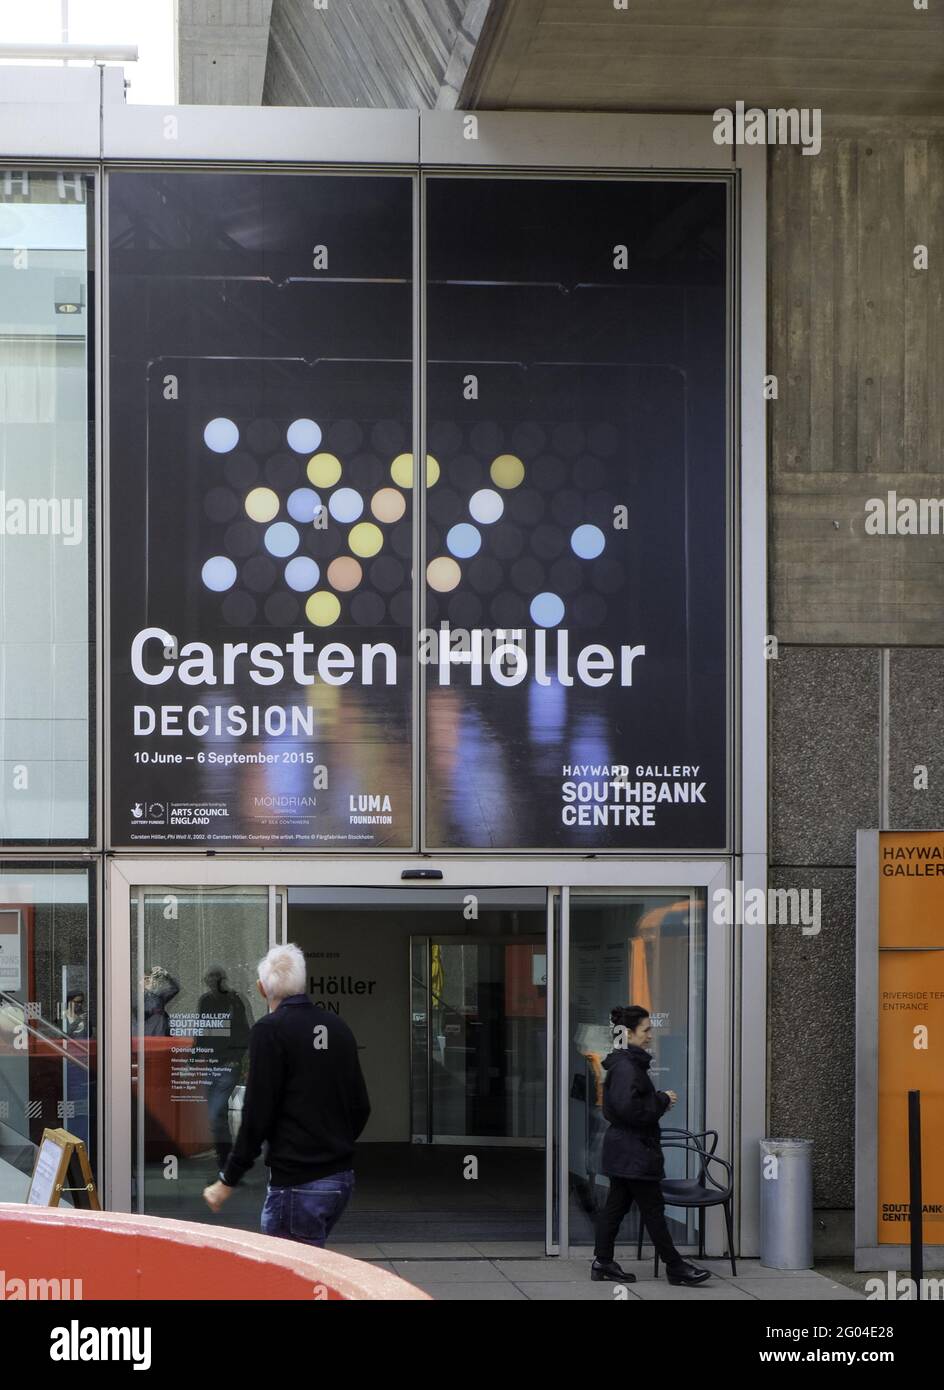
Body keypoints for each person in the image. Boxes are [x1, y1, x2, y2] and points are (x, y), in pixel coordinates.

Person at [202, 943, 370, 1248]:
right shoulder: (338, 1028)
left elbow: (257, 1114)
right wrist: (333, 1144)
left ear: (261, 988)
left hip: (297, 1182)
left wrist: (228, 1179)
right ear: (303, 982)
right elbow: (361, 1106)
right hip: (340, 1180)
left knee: (288, 1278)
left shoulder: (270, 1031)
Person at [591, 1004, 711, 1287]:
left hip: (627, 1149)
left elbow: (627, 1108)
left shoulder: (624, 1064)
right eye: (646, 1030)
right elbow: (629, 1109)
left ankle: (603, 1262)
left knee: (617, 1207)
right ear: (630, 1034)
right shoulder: (627, 1067)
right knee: (653, 1209)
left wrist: (655, 1102)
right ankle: (675, 1266)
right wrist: (661, 1100)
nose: (650, 1036)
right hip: (634, 1150)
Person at [197, 966, 251, 1169]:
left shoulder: (233, 1000)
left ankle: (229, 1161)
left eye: (215, 977)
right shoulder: (205, 1001)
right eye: (209, 977)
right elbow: (202, 1031)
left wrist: (236, 1058)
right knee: (217, 1116)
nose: (211, 981)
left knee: (215, 1114)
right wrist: (194, 1058)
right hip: (210, 1063)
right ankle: (226, 1160)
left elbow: (242, 1031)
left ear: (222, 980)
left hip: (228, 1064)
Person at [139, 966, 179, 1037]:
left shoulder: (159, 997)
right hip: (147, 1037)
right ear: (140, 982)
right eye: (145, 979)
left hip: (161, 1035)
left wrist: (166, 974)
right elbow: (144, 1013)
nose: (148, 981)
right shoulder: (136, 998)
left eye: (149, 978)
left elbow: (175, 988)